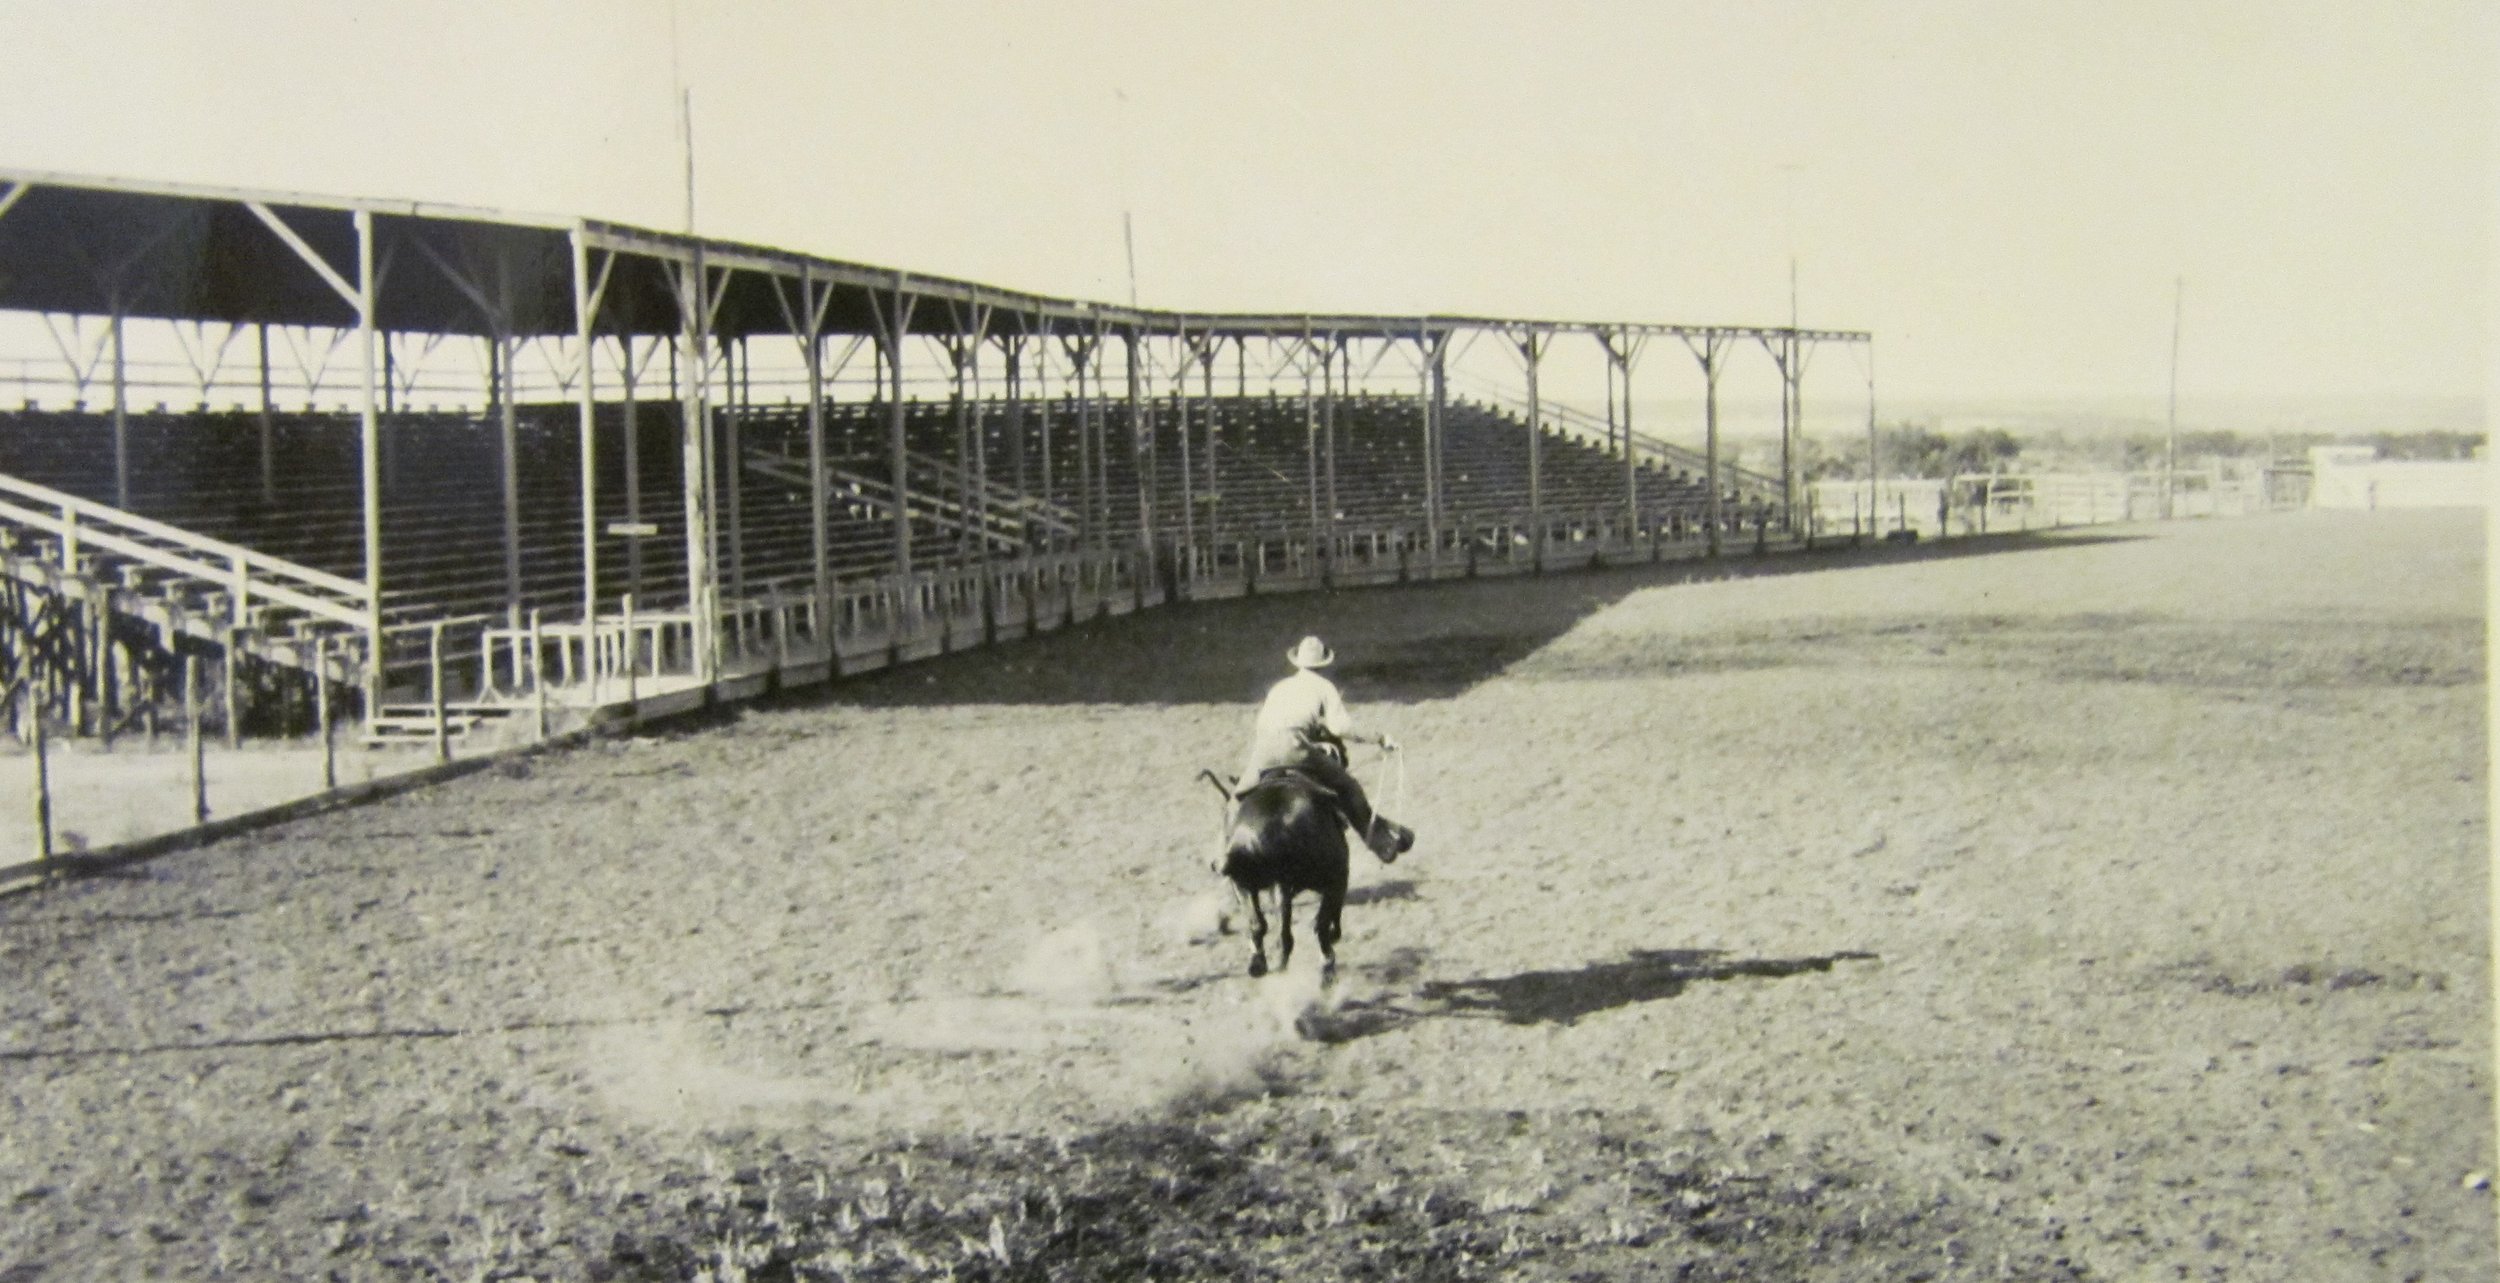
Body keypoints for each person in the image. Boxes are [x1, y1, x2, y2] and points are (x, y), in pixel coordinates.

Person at [1236, 635, 1415, 860]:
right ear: (1323, 664)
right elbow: (1340, 727)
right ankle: (1379, 844)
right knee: (1348, 787)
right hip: (1295, 748)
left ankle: (1224, 852)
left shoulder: (1279, 687)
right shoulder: (1323, 687)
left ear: (1298, 662)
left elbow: (1262, 723)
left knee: (1238, 795)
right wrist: (1379, 738)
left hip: (1263, 751)